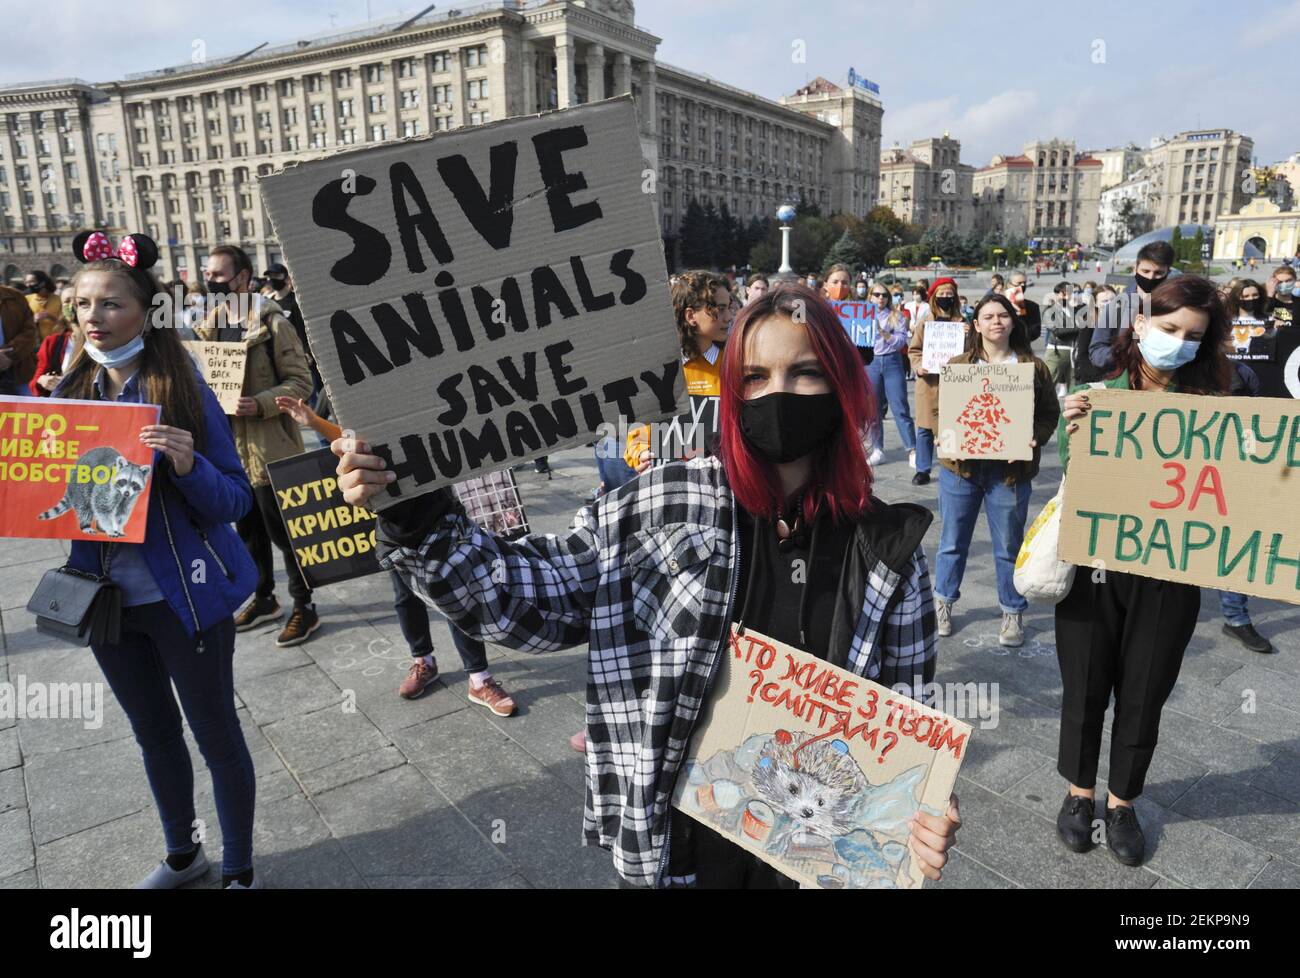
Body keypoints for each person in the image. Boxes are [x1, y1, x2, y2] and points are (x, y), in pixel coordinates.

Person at [335, 283, 961, 889]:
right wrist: (413, 513)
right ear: (729, 393)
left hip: (815, 860)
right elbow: (525, 599)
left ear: (841, 383)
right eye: (755, 377)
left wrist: (927, 809)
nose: (779, 393)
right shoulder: (667, 502)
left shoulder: (888, 552)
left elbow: (906, 719)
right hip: (683, 848)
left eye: (804, 372)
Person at [54, 231, 261, 889]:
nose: (94, 316)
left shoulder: (180, 387)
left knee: (217, 740)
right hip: (104, 602)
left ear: (146, 309)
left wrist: (186, 463)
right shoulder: (65, 395)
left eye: (111, 303)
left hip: (186, 600)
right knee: (154, 737)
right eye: (83, 303)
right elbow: (56, 501)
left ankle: (238, 867)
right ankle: (184, 854)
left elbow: (233, 500)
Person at [1055, 275, 1232, 867]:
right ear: (1140, 323)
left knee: (1145, 688)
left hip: (1169, 573)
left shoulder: (1213, 407)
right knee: (1084, 682)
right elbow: (1069, 472)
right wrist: (1070, 425)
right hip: (1095, 563)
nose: (1178, 342)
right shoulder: (1094, 393)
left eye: (1192, 336)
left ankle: (1122, 802)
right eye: (1169, 327)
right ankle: (1079, 795)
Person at [275, 396, 520, 710]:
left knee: (458, 593)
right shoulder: (363, 402)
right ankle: (423, 661)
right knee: (405, 597)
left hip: (441, 516)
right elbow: (351, 442)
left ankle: (479, 678)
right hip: (397, 524)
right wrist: (313, 422)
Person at [194, 245, 318, 647]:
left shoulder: (272, 323)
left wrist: (260, 403)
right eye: (208, 274)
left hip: (271, 451)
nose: (210, 282)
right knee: (248, 534)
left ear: (243, 278)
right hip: (230, 454)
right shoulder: (208, 327)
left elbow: (302, 383)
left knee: (288, 536)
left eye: (219, 275)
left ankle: (304, 607)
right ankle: (264, 597)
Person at [933, 295, 1060, 647]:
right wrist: (946, 436)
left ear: (1012, 322)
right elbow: (942, 412)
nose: (996, 322)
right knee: (952, 542)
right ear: (976, 325)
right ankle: (943, 603)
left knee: (1008, 545)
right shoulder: (959, 366)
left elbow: (1050, 413)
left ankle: (1011, 611)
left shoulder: (1033, 368)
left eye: (1002, 315)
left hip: (1010, 474)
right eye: (987, 317)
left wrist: (1034, 437)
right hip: (961, 471)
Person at [625, 270, 733, 473]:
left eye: (729, 308)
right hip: (670, 487)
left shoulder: (736, 365)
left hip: (723, 487)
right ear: (691, 315)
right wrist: (640, 453)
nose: (729, 317)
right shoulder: (657, 368)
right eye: (720, 309)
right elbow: (638, 434)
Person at [907, 277, 966, 486]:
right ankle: (923, 469)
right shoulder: (926, 322)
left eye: (950, 295)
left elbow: (972, 352)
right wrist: (918, 365)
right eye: (941, 295)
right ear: (933, 298)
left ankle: (950, 465)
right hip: (929, 382)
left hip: (954, 383)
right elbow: (914, 350)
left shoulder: (963, 323)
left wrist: (969, 335)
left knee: (950, 425)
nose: (946, 298)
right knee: (924, 427)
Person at [1088, 240, 1174, 374]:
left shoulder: (1176, 307)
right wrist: (1128, 352)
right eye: (1145, 271)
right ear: (1135, 269)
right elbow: (1096, 352)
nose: (1151, 277)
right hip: (1124, 381)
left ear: (1168, 272)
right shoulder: (1117, 306)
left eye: (1158, 273)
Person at [864, 285, 916, 467]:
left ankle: (912, 449)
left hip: (892, 361)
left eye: (884, 295)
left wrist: (883, 332)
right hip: (871, 362)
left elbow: (900, 342)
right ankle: (877, 448)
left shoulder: (897, 316)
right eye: (876, 294)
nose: (881, 298)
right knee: (873, 408)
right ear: (870, 296)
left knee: (900, 406)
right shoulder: (862, 315)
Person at [30, 285, 81, 396]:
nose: (72, 305)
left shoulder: (103, 341)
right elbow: (36, 381)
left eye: (79, 301)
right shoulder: (53, 342)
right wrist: (42, 381)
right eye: (67, 301)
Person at [1071, 285, 1117, 385]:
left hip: (1116, 376)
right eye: (1104, 301)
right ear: (1095, 303)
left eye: (1112, 300)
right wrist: (1098, 378)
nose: (1109, 304)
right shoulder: (1089, 323)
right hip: (1093, 377)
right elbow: (1082, 354)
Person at [0, 283, 38, 395]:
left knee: (25, 411)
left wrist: (9, 355)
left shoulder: (15, 297)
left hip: (17, 371)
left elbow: (30, 331)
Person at [1044, 282, 1080, 396]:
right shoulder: (1050, 311)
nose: (1070, 296)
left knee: (1074, 384)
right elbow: (1057, 331)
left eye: (1072, 292)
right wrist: (1080, 327)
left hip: (1073, 350)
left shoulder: (1075, 310)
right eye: (1066, 293)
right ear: (1058, 294)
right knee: (1048, 382)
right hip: (1057, 351)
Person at [24, 270, 63, 341]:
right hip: (35, 344)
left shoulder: (59, 300)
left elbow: (65, 324)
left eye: (32, 281)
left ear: (43, 282)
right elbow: (22, 323)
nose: (28, 285)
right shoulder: (27, 299)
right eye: (27, 282)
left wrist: (51, 317)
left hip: (56, 341)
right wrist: (33, 320)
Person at [1006, 272, 1042, 342]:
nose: (1022, 285)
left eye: (1024, 283)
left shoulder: (1032, 306)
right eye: (1019, 283)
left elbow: (1035, 332)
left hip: (1022, 349)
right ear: (1008, 285)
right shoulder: (998, 304)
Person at [1265, 264, 1296, 328]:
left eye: (1288, 281)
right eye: (1280, 282)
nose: (1284, 284)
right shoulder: (1269, 301)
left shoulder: (1298, 302)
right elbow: (1263, 315)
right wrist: (1270, 294)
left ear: (1295, 280)